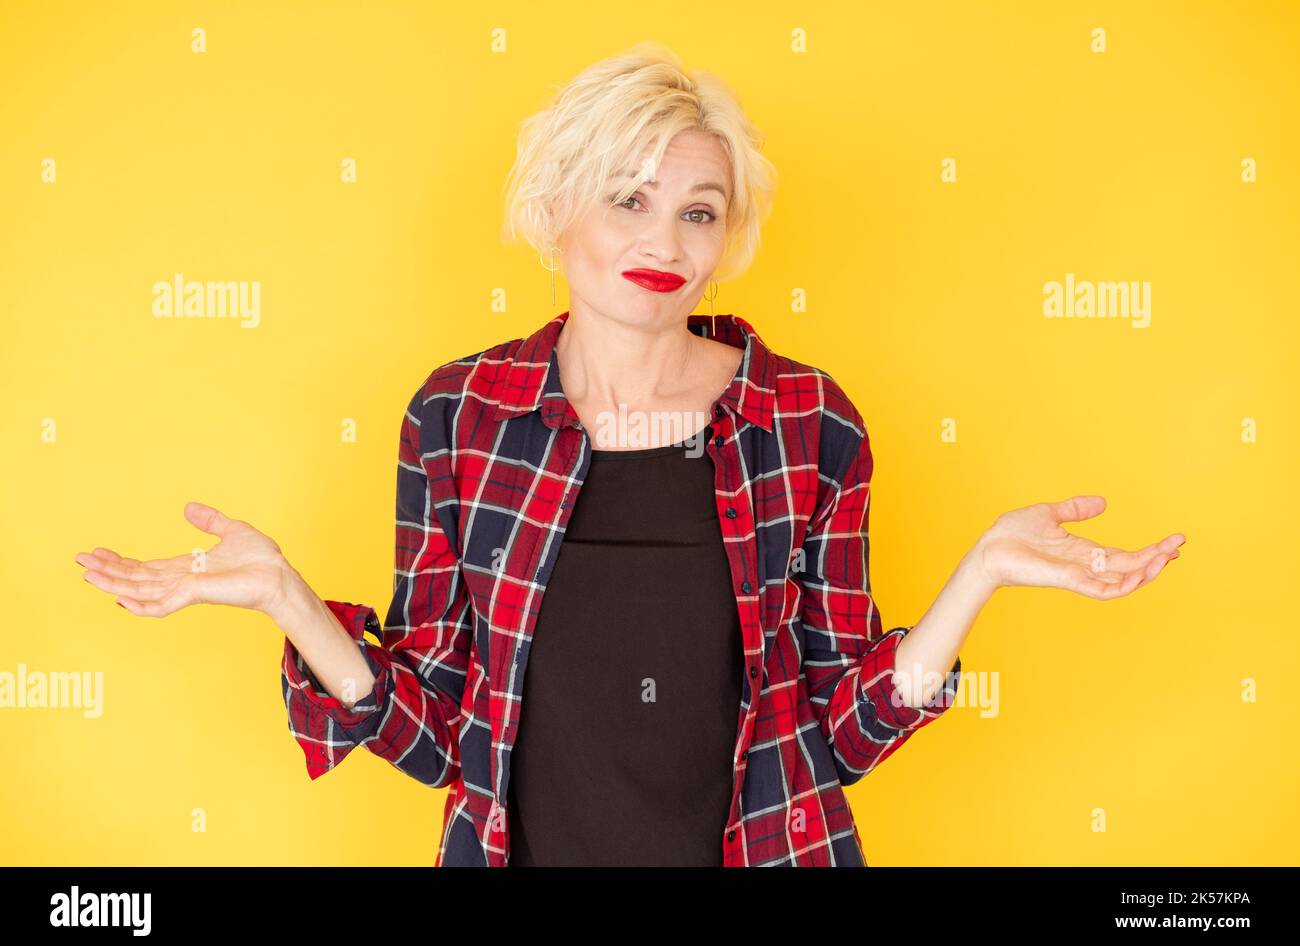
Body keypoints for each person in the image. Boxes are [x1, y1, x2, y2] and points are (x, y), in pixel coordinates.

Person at [73, 41, 1184, 867]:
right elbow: (446, 740)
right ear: (555, 207)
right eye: (629, 198)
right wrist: (288, 599)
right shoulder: (458, 417)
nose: (665, 242)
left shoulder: (809, 423)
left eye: (699, 212)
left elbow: (836, 734)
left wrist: (978, 571)